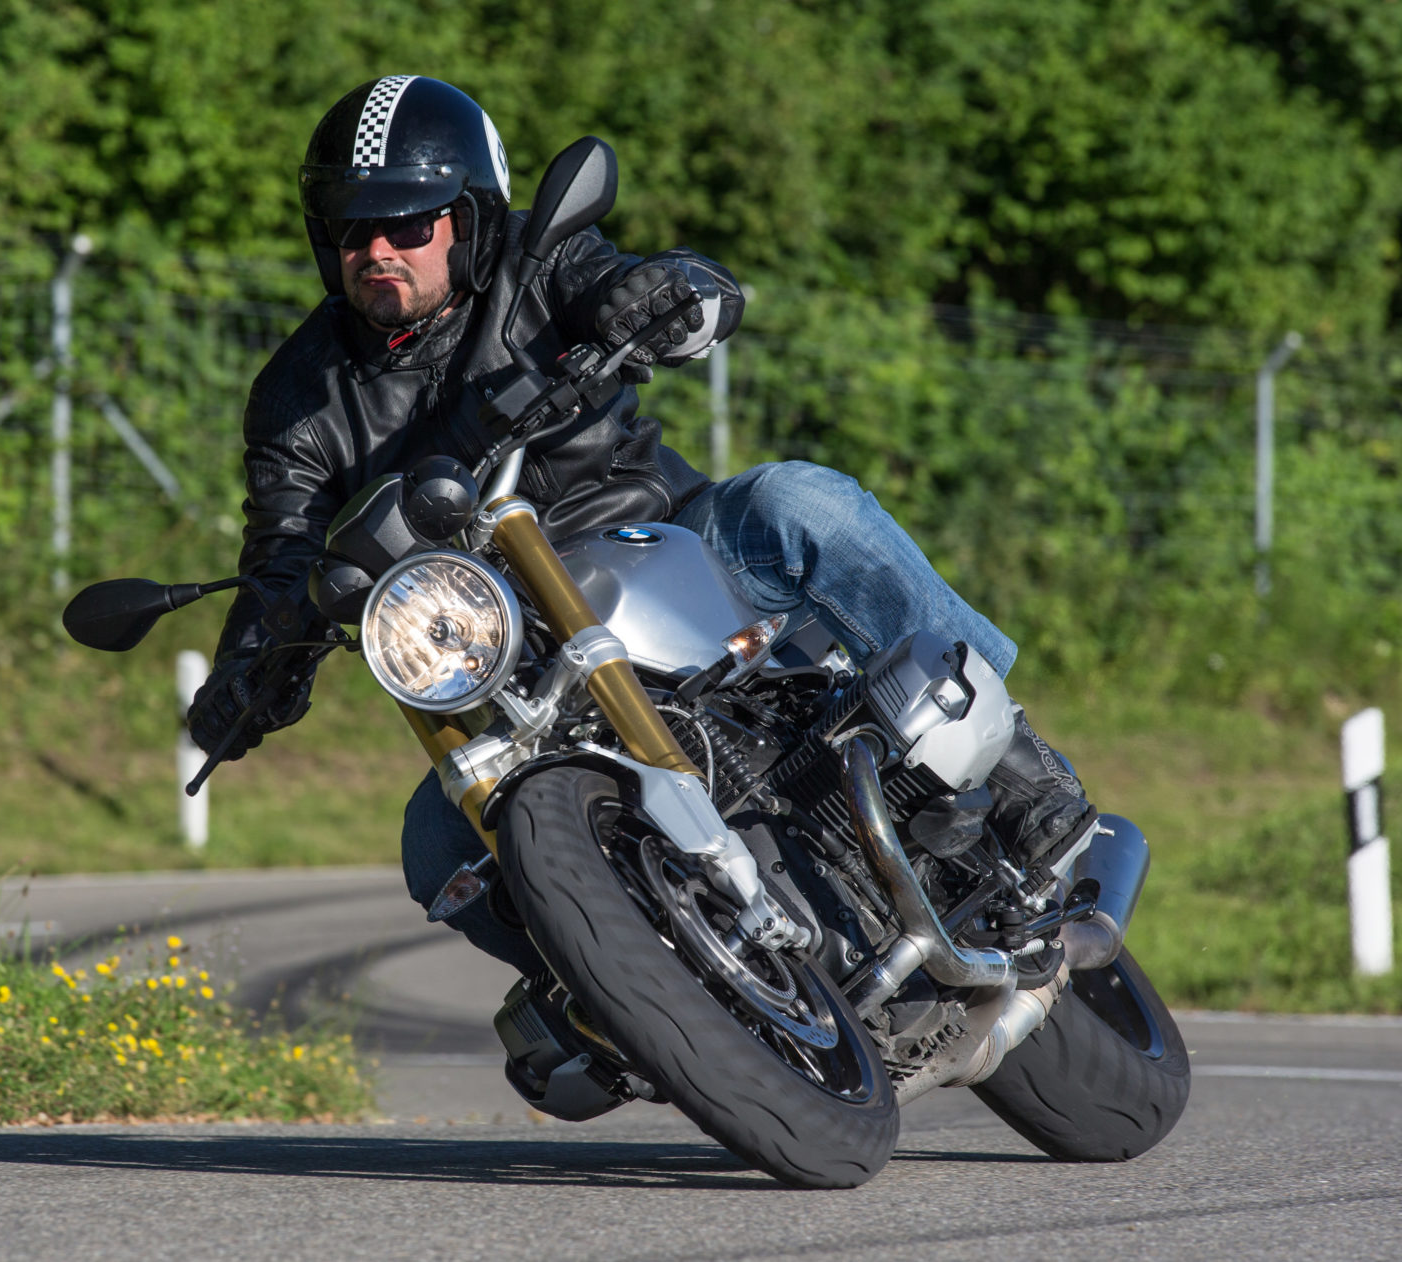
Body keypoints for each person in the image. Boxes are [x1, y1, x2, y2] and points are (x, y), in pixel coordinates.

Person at [188, 75, 1094, 980]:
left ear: (466, 219)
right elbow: (283, 549)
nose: (377, 247)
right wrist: (248, 668)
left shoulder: (535, 266)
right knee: (436, 845)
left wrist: (668, 291)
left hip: (674, 545)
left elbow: (633, 279)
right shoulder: (297, 397)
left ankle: (1017, 765)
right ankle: (624, 1003)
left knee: (798, 503)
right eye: (352, 229)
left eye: (408, 225)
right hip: (512, 656)